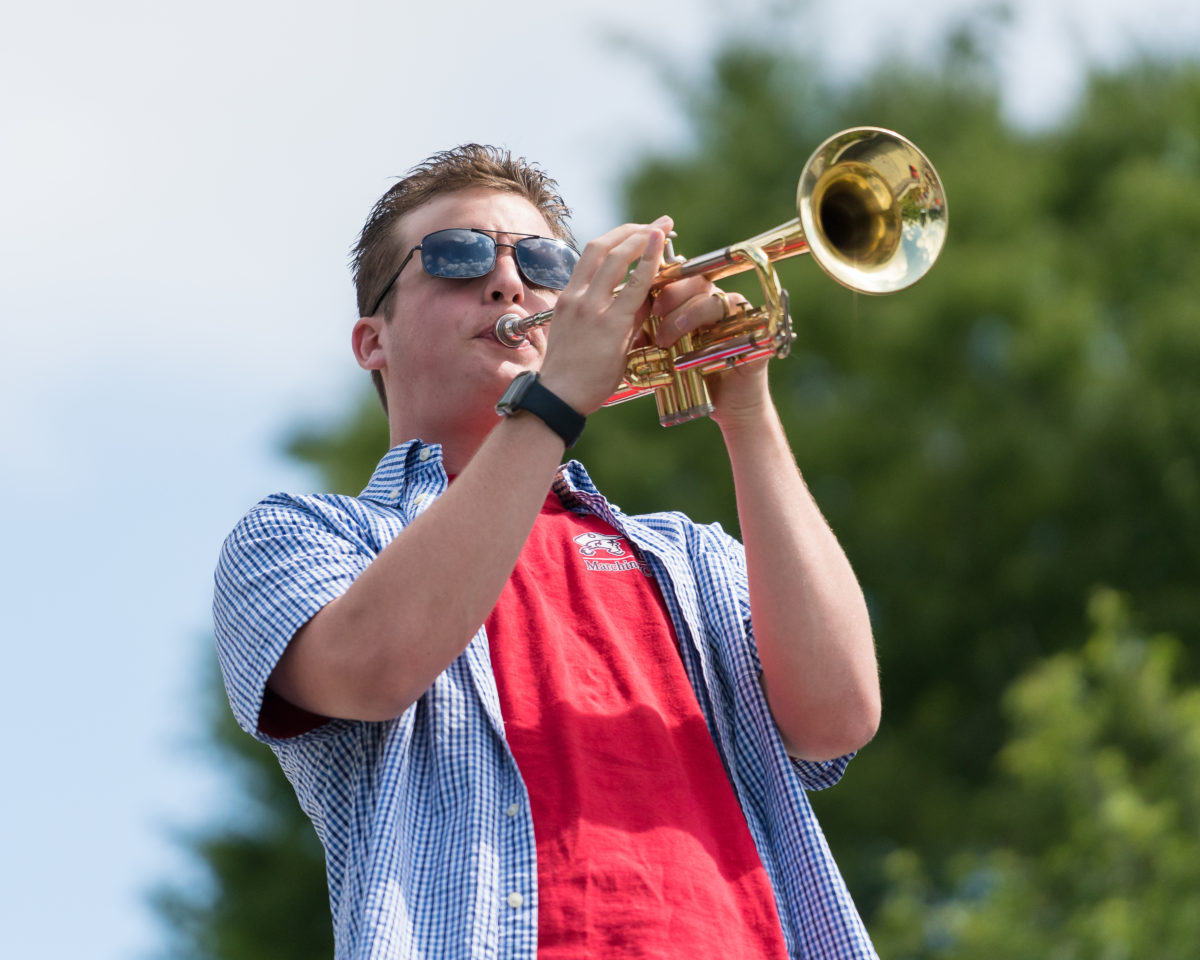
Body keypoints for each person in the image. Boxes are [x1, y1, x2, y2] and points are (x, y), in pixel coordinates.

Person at [214, 144, 882, 960]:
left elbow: (837, 716)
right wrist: (556, 398)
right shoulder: (304, 535)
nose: (507, 282)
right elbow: (371, 665)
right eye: (455, 258)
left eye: (540, 260)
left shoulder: (686, 555)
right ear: (371, 341)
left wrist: (745, 408)